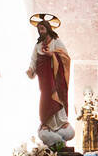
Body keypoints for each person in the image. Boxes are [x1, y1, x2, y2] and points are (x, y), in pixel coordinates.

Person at [27, 15, 75, 147]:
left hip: (55, 77)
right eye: (39, 30)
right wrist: (31, 69)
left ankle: (61, 123)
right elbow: (33, 60)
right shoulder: (37, 45)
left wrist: (52, 54)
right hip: (43, 77)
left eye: (42, 29)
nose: (41, 32)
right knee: (45, 98)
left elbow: (65, 56)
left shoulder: (56, 41)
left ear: (48, 28)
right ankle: (47, 124)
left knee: (56, 97)